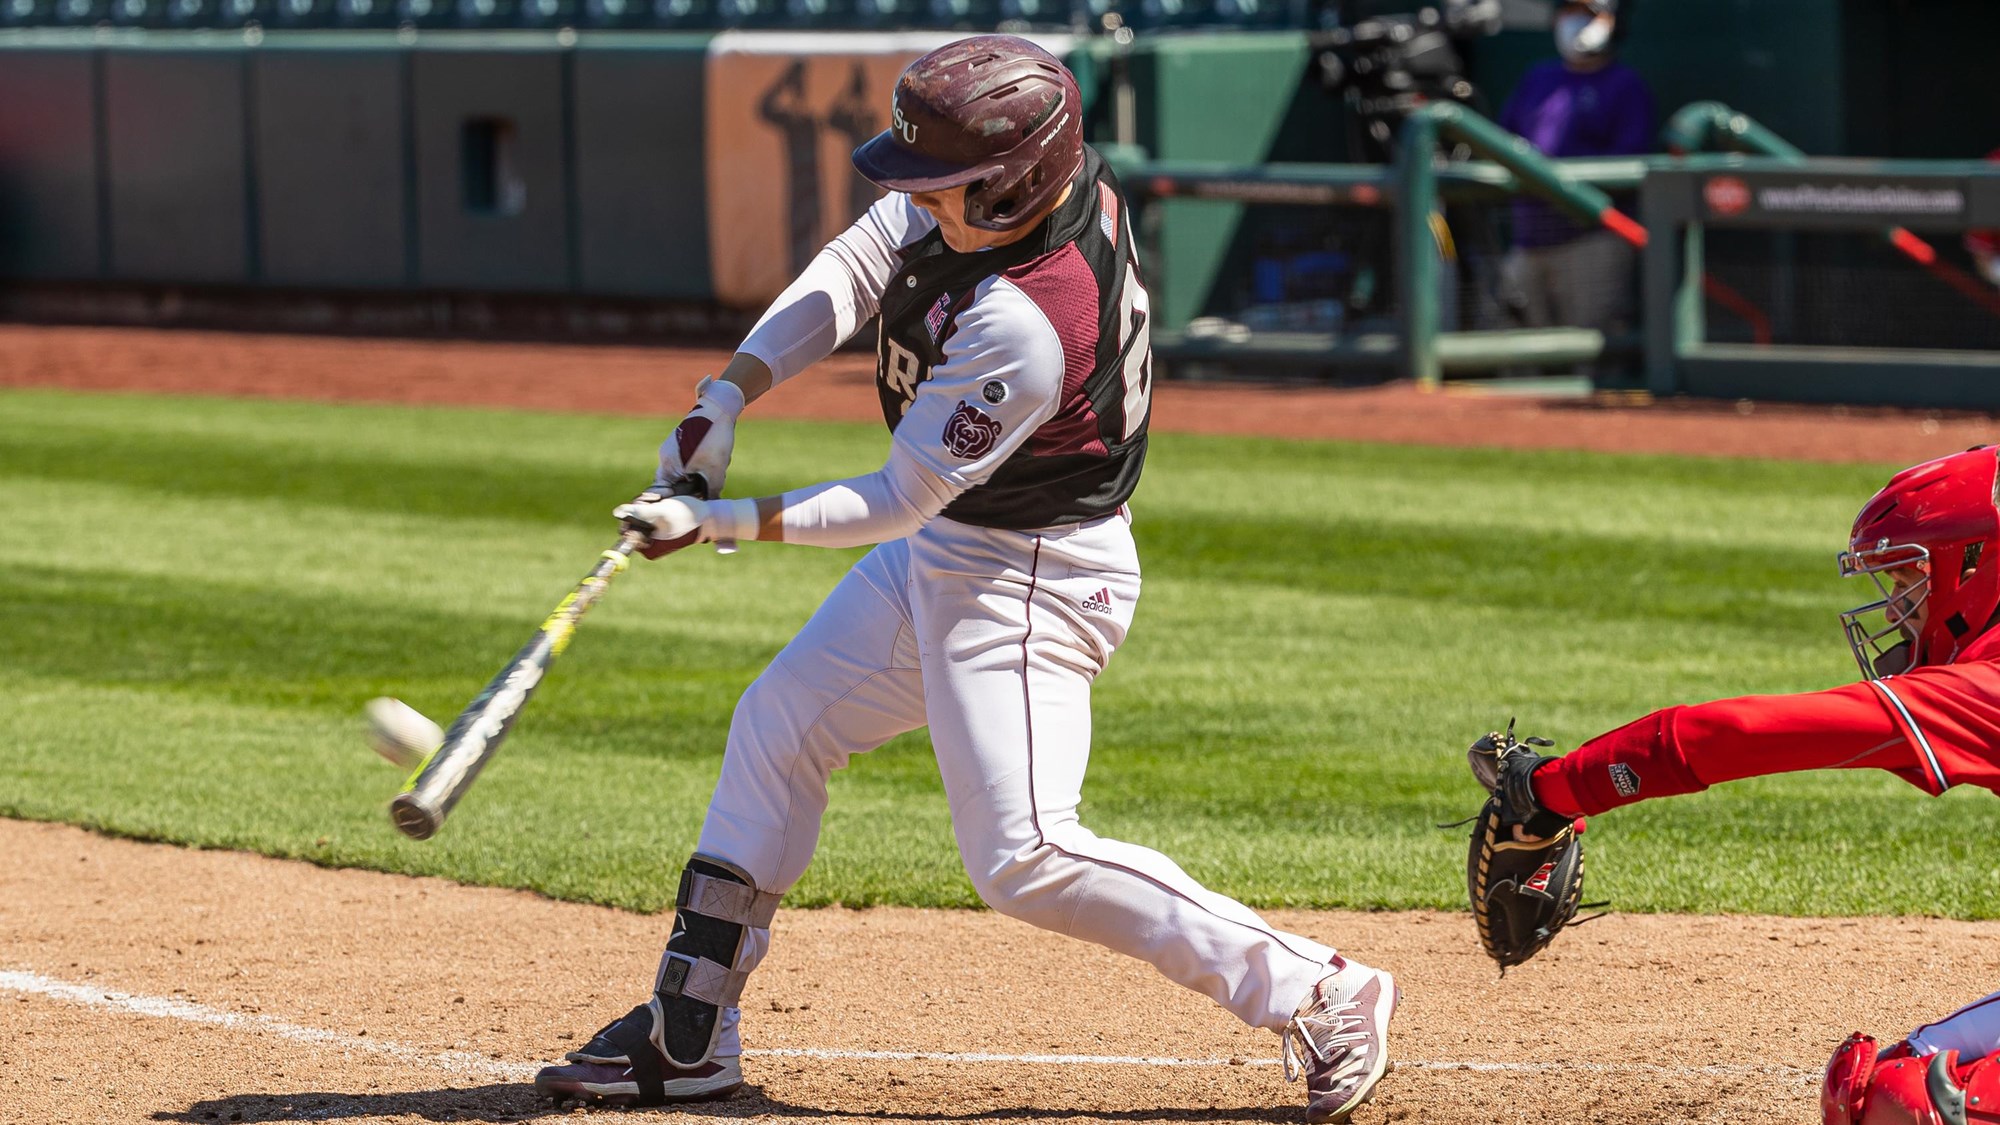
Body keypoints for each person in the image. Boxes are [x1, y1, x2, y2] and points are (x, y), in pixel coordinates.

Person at [531, 35, 1399, 1123]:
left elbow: (897, 499)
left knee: (1022, 854)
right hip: (960, 551)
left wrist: (714, 522)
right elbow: (855, 265)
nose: (914, 199)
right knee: (778, 724)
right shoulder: (995, 198)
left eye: (939, 185)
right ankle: (687, 1033)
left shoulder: (1028, 320)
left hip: (1030, 574)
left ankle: (1320, 990)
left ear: (1010, 183)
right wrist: (728, 392)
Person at [1469, 444, 2000, 1125]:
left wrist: (1554, 789)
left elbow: (1743, 735)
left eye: (1907, 585)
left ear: (1978, 568)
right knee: (1874, 1093)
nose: (1897, 612)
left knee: (1906, 1103)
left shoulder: (1982, 690)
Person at [1495, 0, 1654, 346]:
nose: (1576, 23)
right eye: (1568, 12)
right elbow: (1501, 140)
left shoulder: (1625, 85)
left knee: (1592, 353)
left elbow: (1629, 161)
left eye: (1589, 14)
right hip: (1527, 240)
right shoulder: (1538, 77)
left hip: (1591, 239)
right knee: (1518, 354)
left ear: (1613, 22)